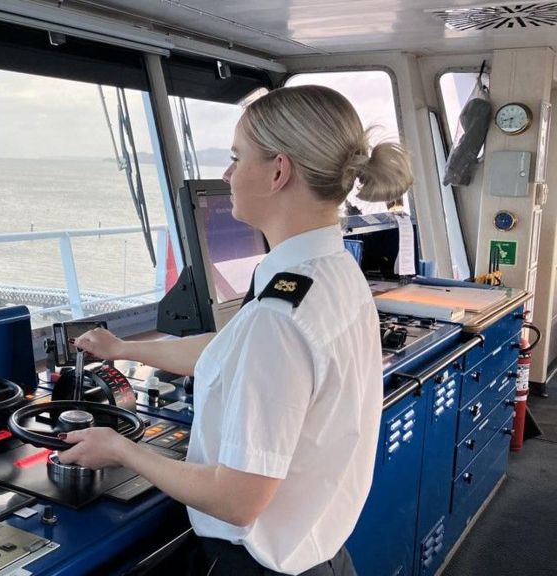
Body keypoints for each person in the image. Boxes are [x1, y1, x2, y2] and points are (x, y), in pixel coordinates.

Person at [61, 85, 414, 576]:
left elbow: (236, 501)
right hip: (321, 557)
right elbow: (232, 350)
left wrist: (122, 449)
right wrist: (125, 349)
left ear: (278, 170)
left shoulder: (280, 317)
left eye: (235, 157)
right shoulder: (331, 270)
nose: (226, 175)